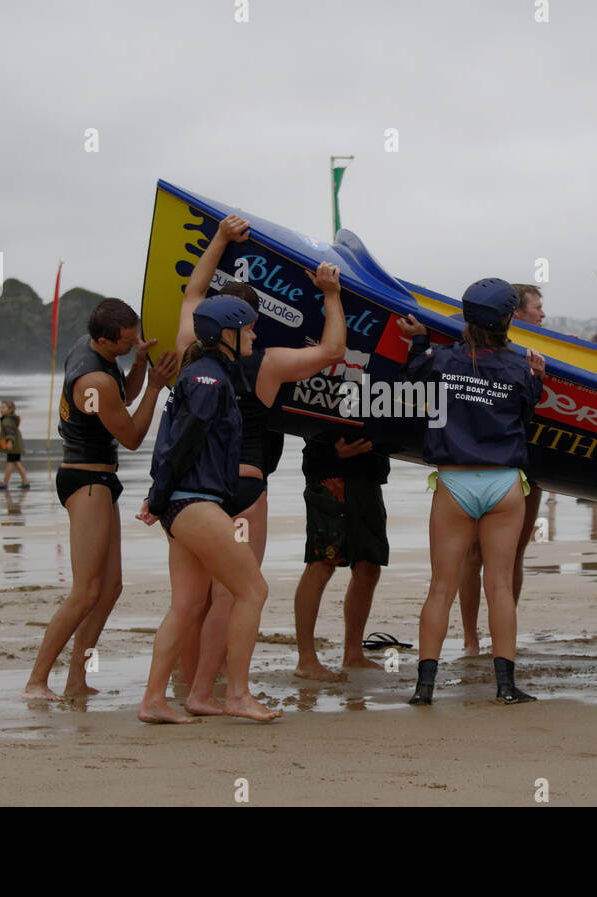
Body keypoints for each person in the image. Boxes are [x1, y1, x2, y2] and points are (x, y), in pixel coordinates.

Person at [169, 214, 347, 714]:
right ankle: (225, 691)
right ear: (248, 325)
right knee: (235, 594)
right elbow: (333, 350)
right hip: (244, 492)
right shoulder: (266, 363)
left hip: (188, 493)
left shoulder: (188, 354)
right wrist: (330, 295)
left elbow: (191, 294)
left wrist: (221, 238)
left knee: (192, 598)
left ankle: (191, 687)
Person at [20, 298, 179, 701]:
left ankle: (76, 680)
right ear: (104, 340)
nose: (132, 345)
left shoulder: (88, 348)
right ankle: (36, 681)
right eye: (127, 343)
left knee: (110, 588)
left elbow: (121, 396)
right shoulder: (94, 382)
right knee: (85, 591)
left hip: (99, 479)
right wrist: (157, 388)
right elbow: (130, 435)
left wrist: (140, 363)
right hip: (85, 480)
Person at [399, 278, 545, 705]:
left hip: (454, 482)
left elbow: (414, 371)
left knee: (440, 587)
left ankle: (424, 691)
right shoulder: (520, 367)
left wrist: (419, 338)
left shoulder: (442, 359)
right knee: (499, 585)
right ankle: (506, 687)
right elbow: (529, 406)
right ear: (507, 320)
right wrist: (538, 376)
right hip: (503, 485)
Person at [136, 295, 281, 723]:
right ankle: (236, 694)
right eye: (249, 328)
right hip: (193, 504)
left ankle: (169, 699)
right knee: (252, 590)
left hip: (189, 502)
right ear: (228, 335)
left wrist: (159, 496)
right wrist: (158, 498)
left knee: (187, 604)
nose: (255, 334)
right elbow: (182, 443)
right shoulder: (209, 381)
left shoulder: (211, 374)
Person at [455, 282, 547, 655]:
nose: (543, 314)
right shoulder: (504, 353)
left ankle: (499, 635)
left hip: (529, 465)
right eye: (537, 307)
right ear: (515, 315)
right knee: (473, 554)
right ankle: (470, 638)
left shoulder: (550, 347)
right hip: (490, 464)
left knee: (513, 554)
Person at [293, 432, 390, 679]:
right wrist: (331, 450)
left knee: (369, 565)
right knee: (321, 563)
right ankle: (306, 659)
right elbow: (305, 408)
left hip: (368, 474)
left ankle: (354, 654)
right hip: (328, 473)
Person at [0, 400, 30, 490]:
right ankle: (25, 482)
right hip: (16, 445)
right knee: (16, 463)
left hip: (13, 445)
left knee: (10, 463)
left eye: (3, 408)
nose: (1, 410)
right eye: (0, 408)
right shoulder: (9, 419)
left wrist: (10, 442)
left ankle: (5, 483)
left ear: (11, 410)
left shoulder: (7, 420)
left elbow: (10, 432)